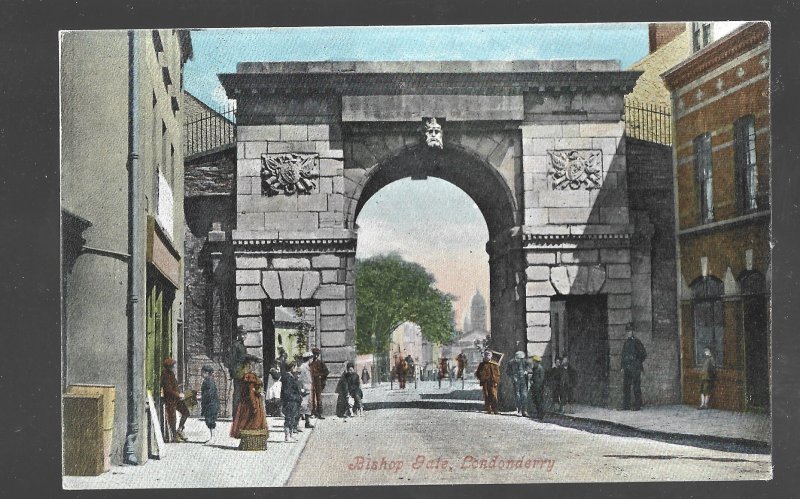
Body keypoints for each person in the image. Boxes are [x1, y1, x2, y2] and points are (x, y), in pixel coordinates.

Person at [229, 326, 261, 417]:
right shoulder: (236, 345)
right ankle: (235, 415)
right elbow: (239, 357)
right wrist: (254, 358)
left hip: (242, 371)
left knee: (243, 393)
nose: (243, 336)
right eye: (242, 334)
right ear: (238, 334)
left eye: (245, 334)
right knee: (238, 394)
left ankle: (241, 414)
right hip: (238, 372)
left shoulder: (241, 344)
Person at [229, 371, 267, 443]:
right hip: (250, 404)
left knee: (246, 422)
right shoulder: (250, 379)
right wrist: (254, 406)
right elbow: (251, 393)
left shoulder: (247, 378)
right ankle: (251, 442)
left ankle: (248, 441)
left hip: (246, 403)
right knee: (253, 422)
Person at [160, 357, 189, 443]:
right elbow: (168, 389)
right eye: (173, 366)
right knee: (172, 418)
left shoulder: (171, 374)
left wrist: (180, 393)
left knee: (186, 412)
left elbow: (174, 386)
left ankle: (179, 430)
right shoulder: (165, 375)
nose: (174, 367)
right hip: (170, 399)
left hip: (176, 399)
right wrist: (178, 394)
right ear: (169, 366)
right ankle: (174, 436)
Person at [621, 323, 647, 411]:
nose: (628, 333)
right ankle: (626, 405)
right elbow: (623, 356)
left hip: (635, 368)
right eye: (627, 331)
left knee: (636, 387)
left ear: (632, 332)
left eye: (630, 331)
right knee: (626, 387)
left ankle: (637, 405)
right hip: (627, 368)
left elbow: (643, 354)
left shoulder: (637, 342)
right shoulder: (626, 343)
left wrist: (637, 363)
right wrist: (622, 366)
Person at [280, 361, 306, 442]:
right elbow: (287, 392)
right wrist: (295, 397)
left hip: (294, 401)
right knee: (289, 418)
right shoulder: (288, 377)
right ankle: (287, 436)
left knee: (292, 418)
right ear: (292, 367)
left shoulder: (291, 376)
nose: (296, 369)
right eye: (295, 367)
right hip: (290, 401)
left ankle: (290, 435)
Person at [506, 351, 532, 417]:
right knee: (517, 395)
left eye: (521, 358)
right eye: (518, 358)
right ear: (515, 357)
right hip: (516, 381)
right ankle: (519, 409)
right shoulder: (511, 362)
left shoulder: (525, 361)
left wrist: (527, 371)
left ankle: (524, 410)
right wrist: (512, 376)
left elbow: (530, 368)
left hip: (523, 381)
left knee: (524, 395)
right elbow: (508, 371)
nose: (520, 360)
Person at [475, 350, 500, 414]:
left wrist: (496, 381)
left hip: (492, 382)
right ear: (484, 356)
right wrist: (481, 378)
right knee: (486, 395)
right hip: (485, 382)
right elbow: (477, 373)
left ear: (491, 356)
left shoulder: (494, 364)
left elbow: (497, 373)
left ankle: (495, 409)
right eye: (486, 355)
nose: (487, 356)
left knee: (494, 395)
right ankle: (488, 409)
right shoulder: (482, 364)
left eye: (489, 355)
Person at [200, 364, 220, 444]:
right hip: (210, 404)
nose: (201, 374)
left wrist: (201, 397)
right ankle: (212, 437)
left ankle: (213, 438)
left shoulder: (209, 381)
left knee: (210, 421)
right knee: (209, 420)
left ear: (207, 373)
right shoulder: (208, 380)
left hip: (211, 404)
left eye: (203, 372)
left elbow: (209, 393)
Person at [310, 347, 330, 419]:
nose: (315, 356)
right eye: (314, 354)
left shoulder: (320, 363)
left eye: (316, 354)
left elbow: (326, 372)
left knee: (318, 398)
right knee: (311, 398)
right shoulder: (311, 363)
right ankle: (312, 412)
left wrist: (321, 377)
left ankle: (319, 413)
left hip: (318, 383)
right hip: (311, 382)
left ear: (318, 355)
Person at [298, 352, 316, 428]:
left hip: (309, 389)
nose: (312, 359)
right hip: (304, 390)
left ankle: (307, 422)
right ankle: (297, 424)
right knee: (302, 406)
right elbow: (299, 379)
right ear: (309, 358)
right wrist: (301, 389)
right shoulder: (302, 367)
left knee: (309, 406)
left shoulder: (308, 366)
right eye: (311, 358)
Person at [528, 355, 546, 420]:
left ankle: (540, 415)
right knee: (536, 401)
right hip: (535, 388)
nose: (533, 363)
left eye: (534, 362)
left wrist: (535, 383)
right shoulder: (535, 368)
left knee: (539, 401)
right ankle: (539, 414)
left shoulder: (540, 368)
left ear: (537, 362)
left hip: (539, 388)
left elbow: (541, 379)